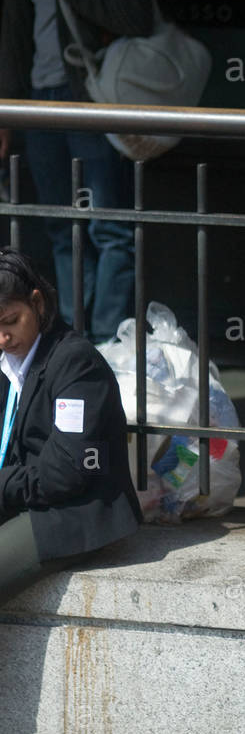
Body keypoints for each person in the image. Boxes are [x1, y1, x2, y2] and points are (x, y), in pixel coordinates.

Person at [0, 0, 155, 342]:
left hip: (87, 98)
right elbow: (15, 30)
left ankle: (106, 346)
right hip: (41, 102)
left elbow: (138, 15)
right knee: (63, 229)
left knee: (110, 228)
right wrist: (7, 105)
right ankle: (73, 343)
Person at [0, 247, 141, 606]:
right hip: (22, 496)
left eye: (11, 321)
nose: (2, 338)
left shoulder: (76, 364)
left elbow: (66, 475)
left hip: (71, 512)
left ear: (38, 304)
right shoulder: (7, 360)